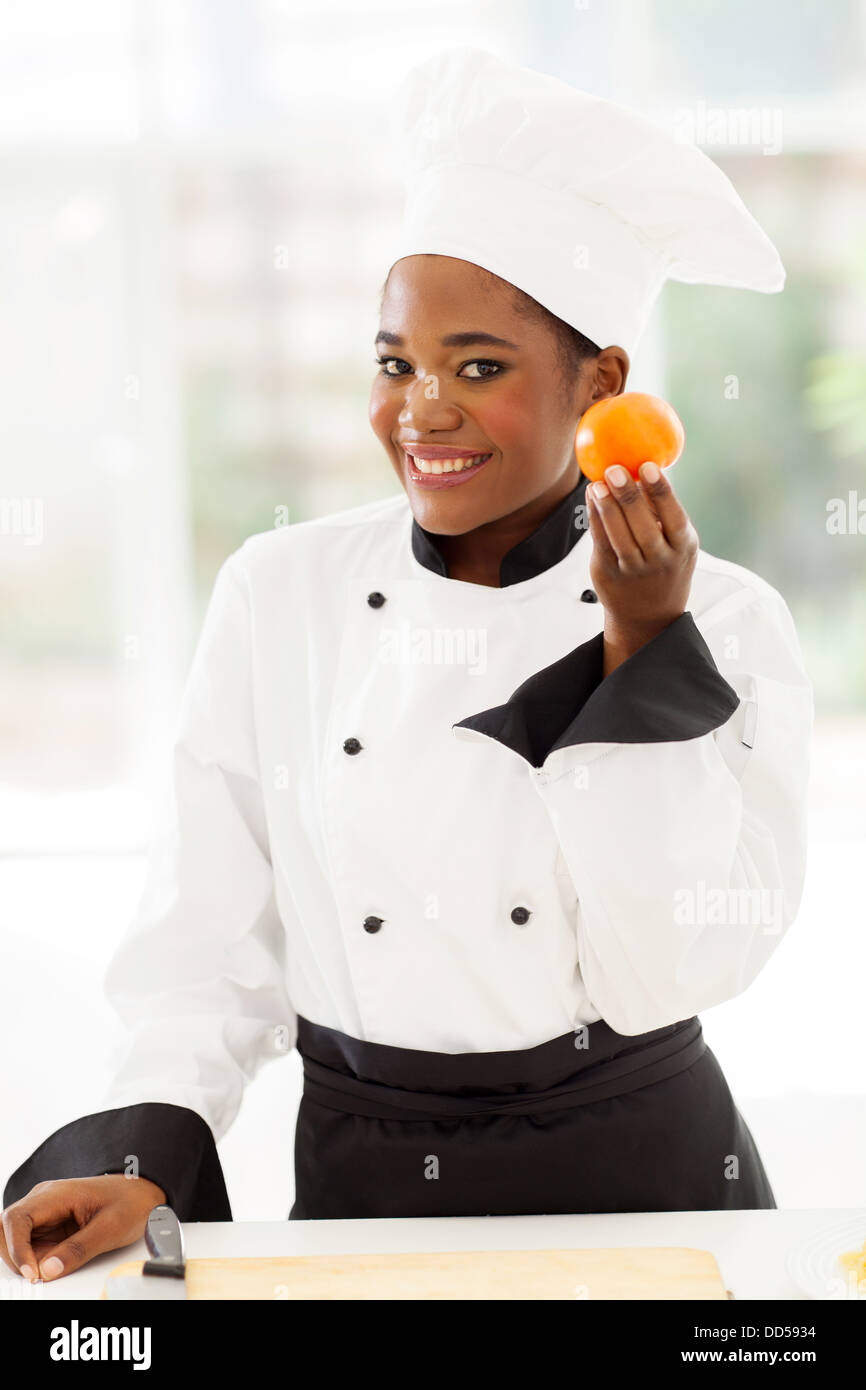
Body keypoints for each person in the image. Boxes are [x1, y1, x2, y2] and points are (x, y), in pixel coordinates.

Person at [1, 47, 813, 1284]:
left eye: (477, 367)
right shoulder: (277, 598)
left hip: (648, 1184)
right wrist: (141, 1156)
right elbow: (204, 938)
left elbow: (674, 968)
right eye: (395, 364)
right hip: (369, 1182)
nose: (420, 410)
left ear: (599, 387)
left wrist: (642, 650)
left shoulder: (730, 622)